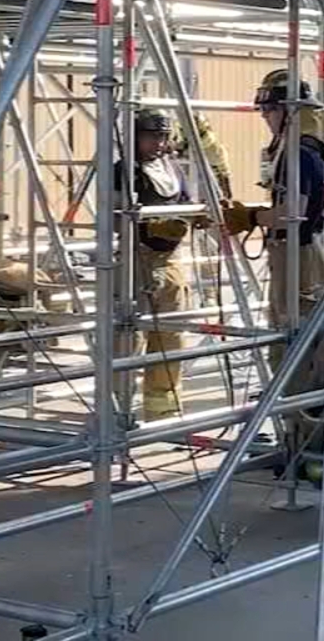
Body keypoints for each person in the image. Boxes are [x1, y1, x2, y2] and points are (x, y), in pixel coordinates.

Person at [220, 70, 324, 451]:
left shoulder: (298, 152)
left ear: (286, 109)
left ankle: (298, 443)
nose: (265, 118)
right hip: (298, 254)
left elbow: (293, 212)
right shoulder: (304, 148)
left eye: (269, 110)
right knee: (296, 346)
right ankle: (298, 439)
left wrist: (251, 217)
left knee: (292, 349)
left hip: (297, 258)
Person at [117, 109, 196, 422]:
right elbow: (113, 218)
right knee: (128, 336)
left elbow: (188, 203)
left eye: (162, 136)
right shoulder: (123, 172)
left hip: (171, 260)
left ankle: (162, 409)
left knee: (171, 333)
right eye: (151, 136)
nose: (158, 143)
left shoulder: (172, 169)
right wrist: (149, 228)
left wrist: (190, 218)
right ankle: (118, 404)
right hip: (137, 259)